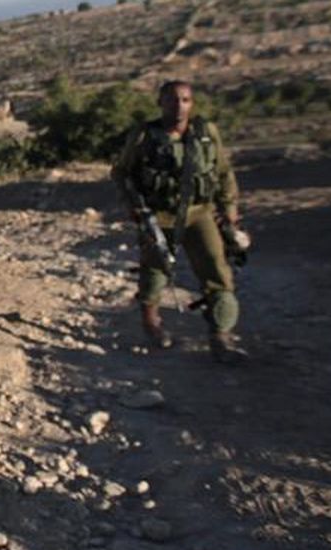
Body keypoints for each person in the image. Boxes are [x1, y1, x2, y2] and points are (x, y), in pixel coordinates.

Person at [112, 80, 251, 363]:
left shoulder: (205, 132)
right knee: (155, 270)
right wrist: (135, 208)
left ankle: (221, 336)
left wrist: (229, 211)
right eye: (172, 100)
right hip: (159, 215)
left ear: (192, 103)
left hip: (199, 213)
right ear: (160, 103)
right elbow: (122, 172)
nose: (179, 106)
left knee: (217, 270)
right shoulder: (145, 135)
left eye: (185, 100)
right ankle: (151, 323)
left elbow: (223, 172)